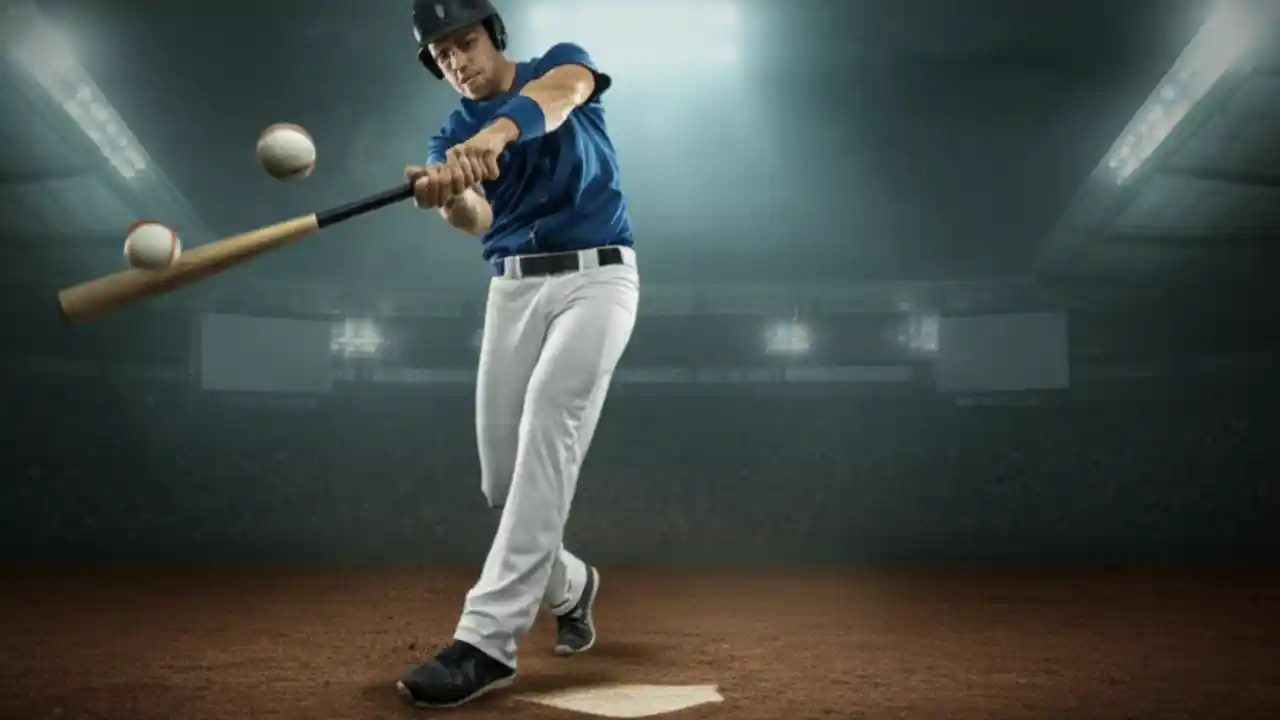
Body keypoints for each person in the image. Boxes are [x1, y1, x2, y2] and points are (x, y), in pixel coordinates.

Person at [395, 0, 640, 709]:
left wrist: (498, 133)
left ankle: (486, 642)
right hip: (512, 290)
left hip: (597, 278)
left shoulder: (559, 63)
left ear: (493, 35)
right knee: (502, 484)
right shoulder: (450, 135)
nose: (457, 61)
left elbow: (559, 99)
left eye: (466, 42)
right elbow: (476, 219)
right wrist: (446, 193)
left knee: (547, 429)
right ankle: (571, 584)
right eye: (442, 55)